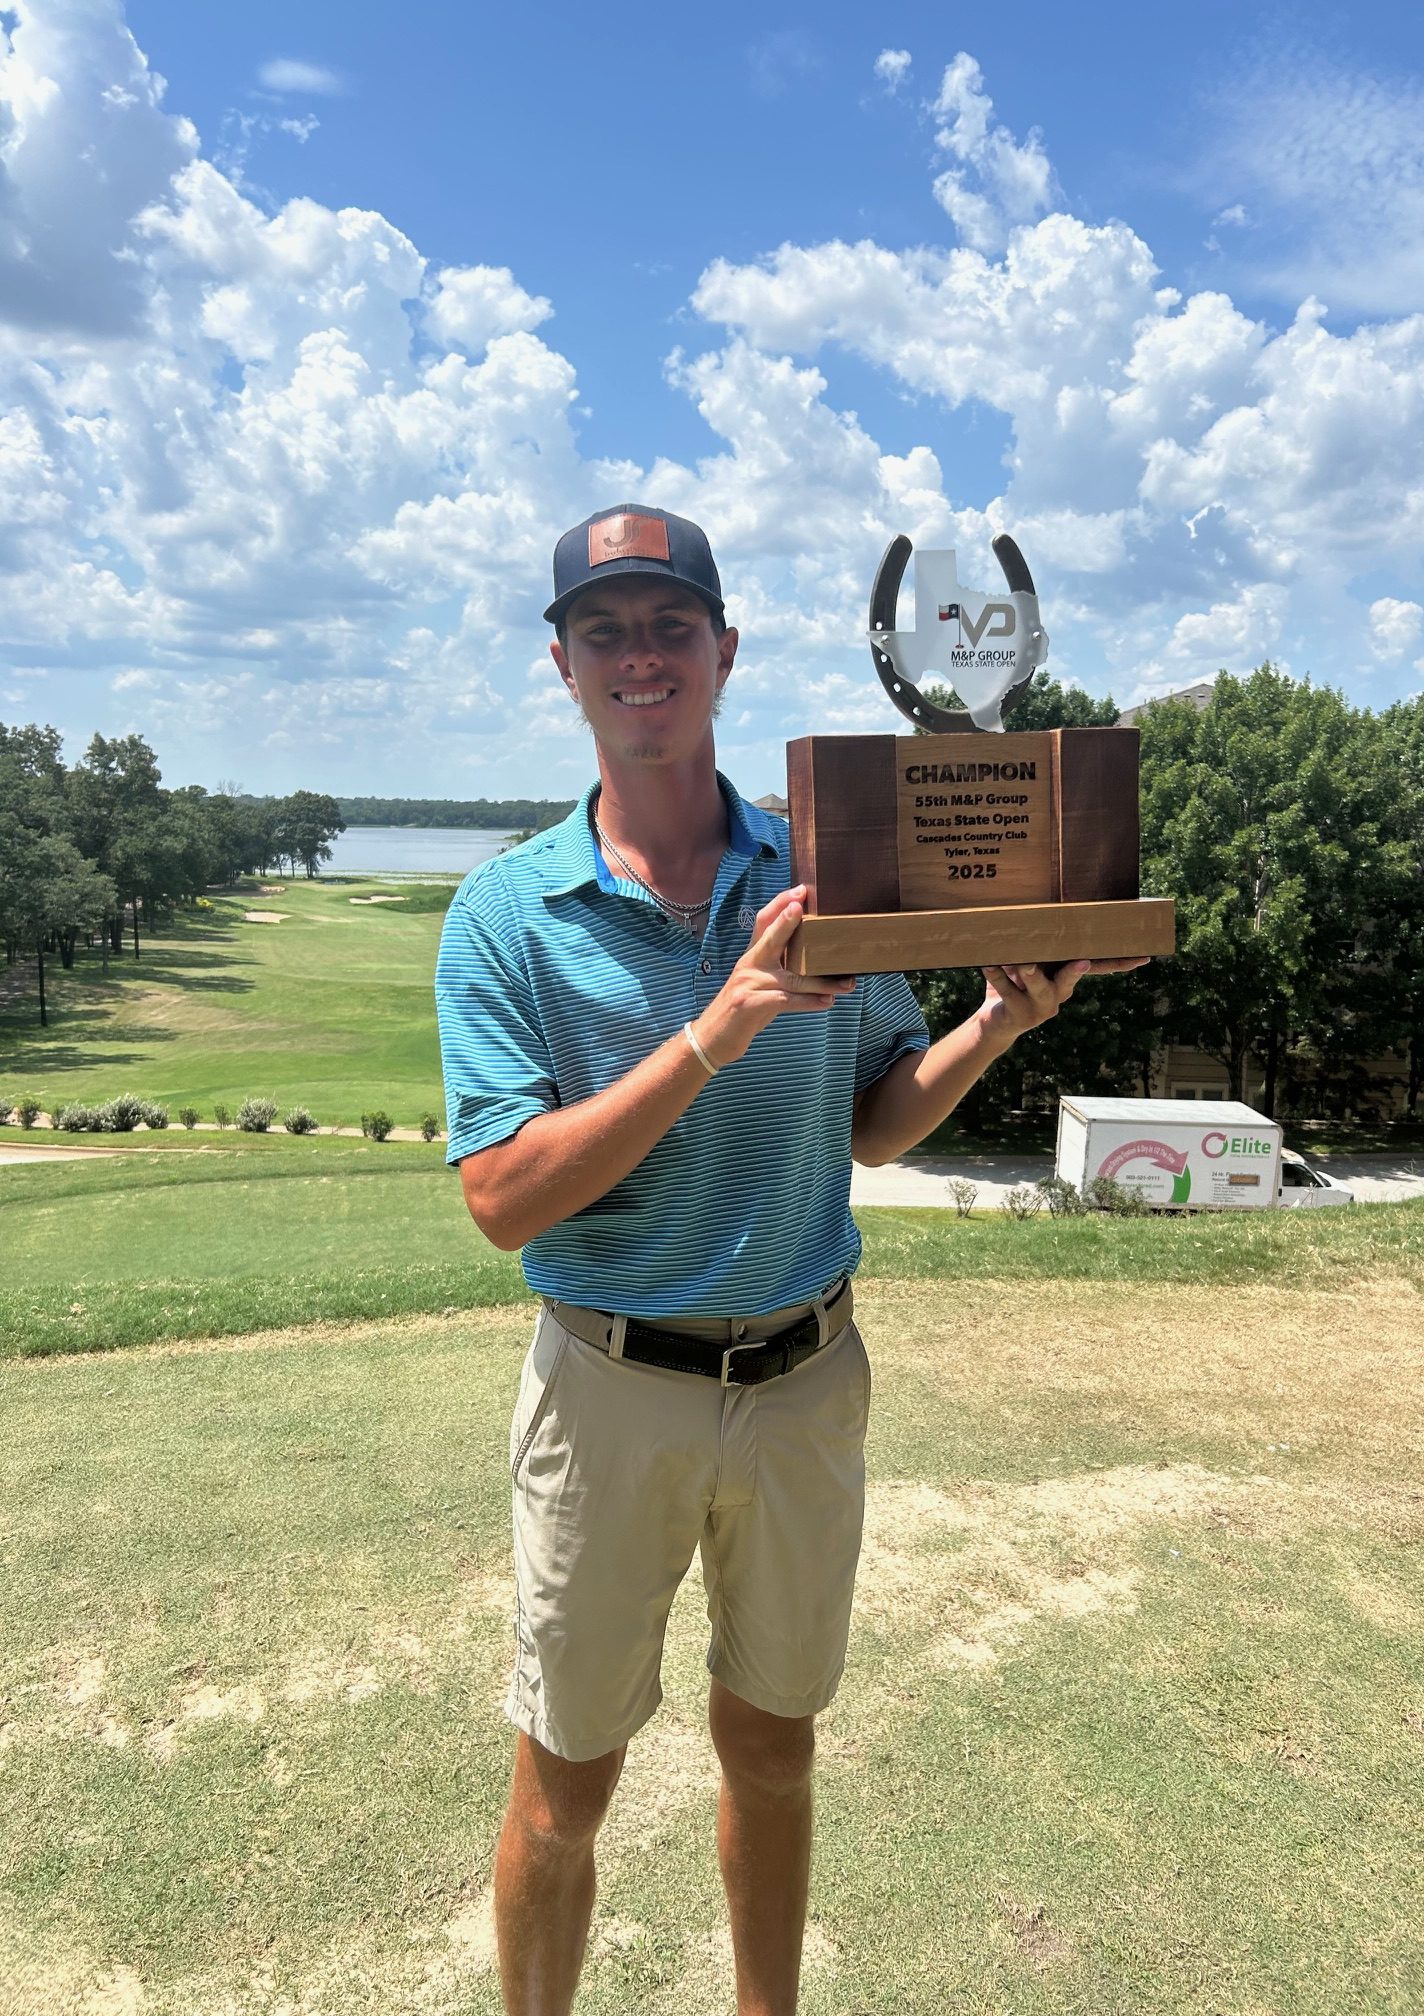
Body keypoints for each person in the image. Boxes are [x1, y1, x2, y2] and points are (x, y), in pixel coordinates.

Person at [434, 503, 1146, 2016]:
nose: (644, 658)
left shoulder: (824, 871)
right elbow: (504, 1197)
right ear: (562, 665)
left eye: (671, 626)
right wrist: (718, 1027)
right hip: (611, 1388)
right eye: (609, 631)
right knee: (567, 1781)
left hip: (807, 1379)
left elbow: (879, 1126)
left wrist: (994, 1024)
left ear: (724, 653)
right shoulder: (505, 914)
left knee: (774, 1748)